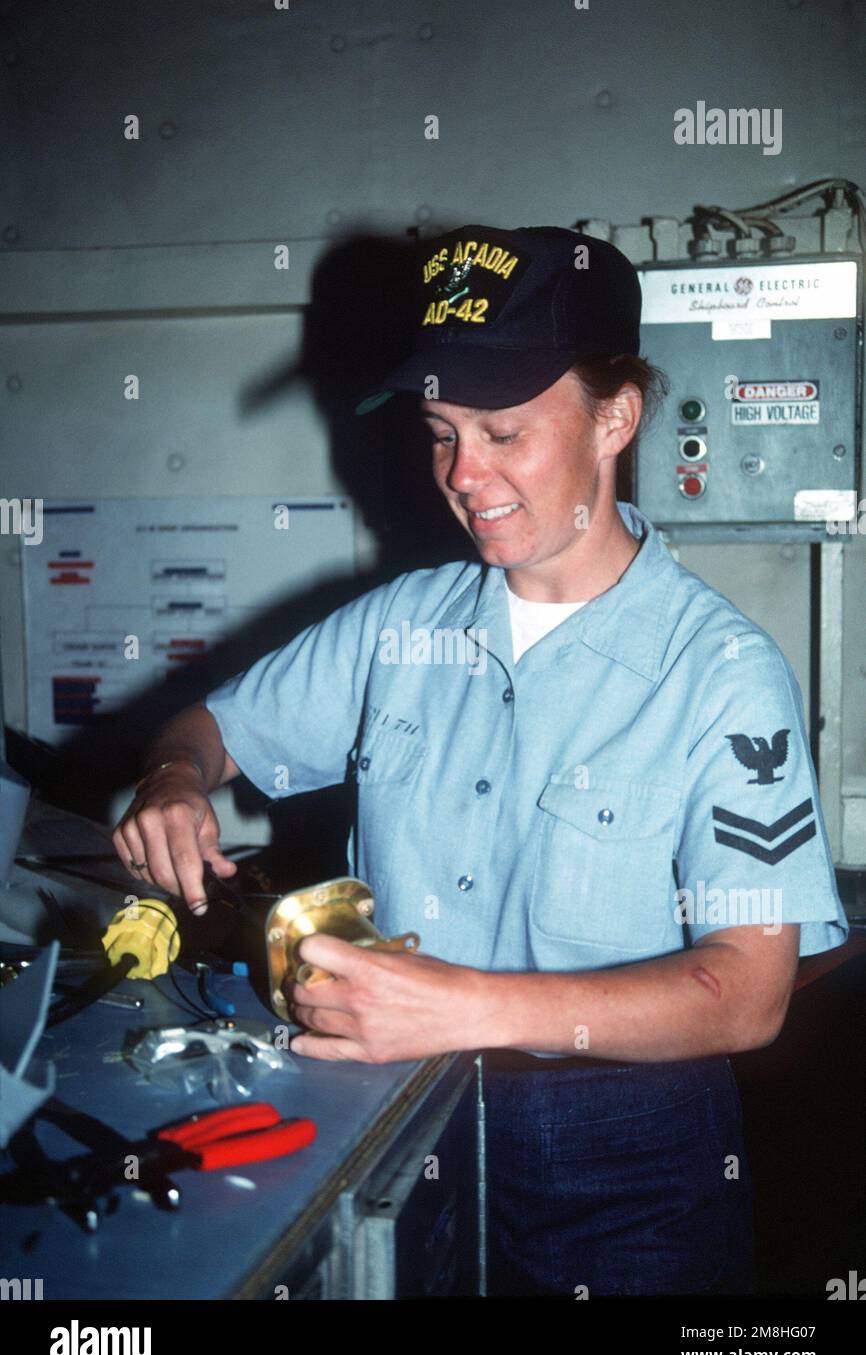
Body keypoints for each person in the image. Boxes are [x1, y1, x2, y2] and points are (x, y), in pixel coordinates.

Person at [112, 224, 849, 1297]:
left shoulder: (719, 674)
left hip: (627, 1165)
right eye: (440, 431)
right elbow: (205, 731)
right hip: (403, 1120)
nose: (465, 475)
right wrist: (172, 782)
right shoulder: (394, 627)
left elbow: (745, 993)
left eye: (504, 430)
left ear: (614, 418)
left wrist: (462, 1004)